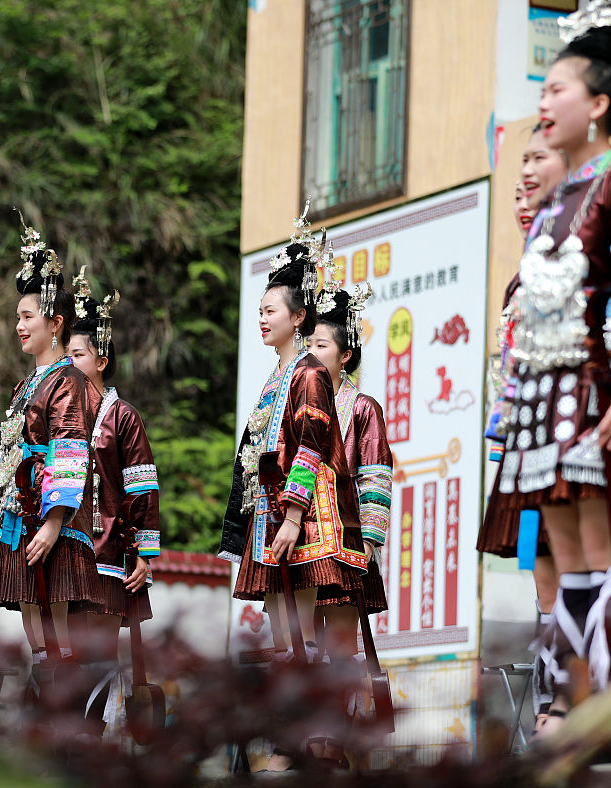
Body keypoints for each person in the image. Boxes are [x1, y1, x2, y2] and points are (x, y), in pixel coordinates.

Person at [493, 1, 611, 725]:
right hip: (542, 398)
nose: (544, 103)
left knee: (601, 556)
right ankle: (570, 703)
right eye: (541, 93)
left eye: (557, 90)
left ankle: (608, 707)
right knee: (563, 559)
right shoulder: (555, 202)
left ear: (599, 104)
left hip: (595, 392)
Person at [218, 206, 369, 770]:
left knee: (301, 633)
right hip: (269, 517)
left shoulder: (307, 373)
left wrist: (290, 515)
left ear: (298, 316)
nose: (261, 318)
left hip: (299, 521)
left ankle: (306, 743)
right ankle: (292, 740)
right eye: (258, 310)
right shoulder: (275, 378)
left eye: (270, 310)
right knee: (284, 637)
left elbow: (311, 446)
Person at [0, 220, 105, 688]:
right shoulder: (27, 383)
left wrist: (53, 521)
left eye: (28, 316)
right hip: (19, 510)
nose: (19, 326)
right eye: (18, 316)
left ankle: (64, 734)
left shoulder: (69, 380)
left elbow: (71, 450)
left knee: (56, 625)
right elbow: (11, 451)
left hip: (50, 517)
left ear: (56, 322)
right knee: (33, 621)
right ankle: (46, 729)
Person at [478, 126, 569, 731]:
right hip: (519, 446)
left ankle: (566, 697)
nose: (520, 200)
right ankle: (545, 701)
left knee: (565, 569)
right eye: (514, 190)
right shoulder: (516, 280)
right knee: (539, 571)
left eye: (531, 186)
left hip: (557, 443)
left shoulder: (562, 265)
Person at [66, 270, 160, 732]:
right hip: (67, 547)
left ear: (101, 360)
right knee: (65, 655)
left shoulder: (122, 416)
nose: (69, 365)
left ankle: (89, 746)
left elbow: (142, 485)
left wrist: (144, 550)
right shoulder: (61, 417)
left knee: (96, 654)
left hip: (107, 551)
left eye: (77, 355)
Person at [308, 280, 390, 763]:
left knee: (339, 641)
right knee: (304, 640)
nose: (313, 355)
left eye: (322, 345)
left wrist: (370, 543)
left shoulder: (362, 408)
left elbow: (376, 476)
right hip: (301, 544)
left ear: (346, 353)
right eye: (310, 344)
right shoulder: (301, 403)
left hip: (345, 544)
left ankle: (334, 733)